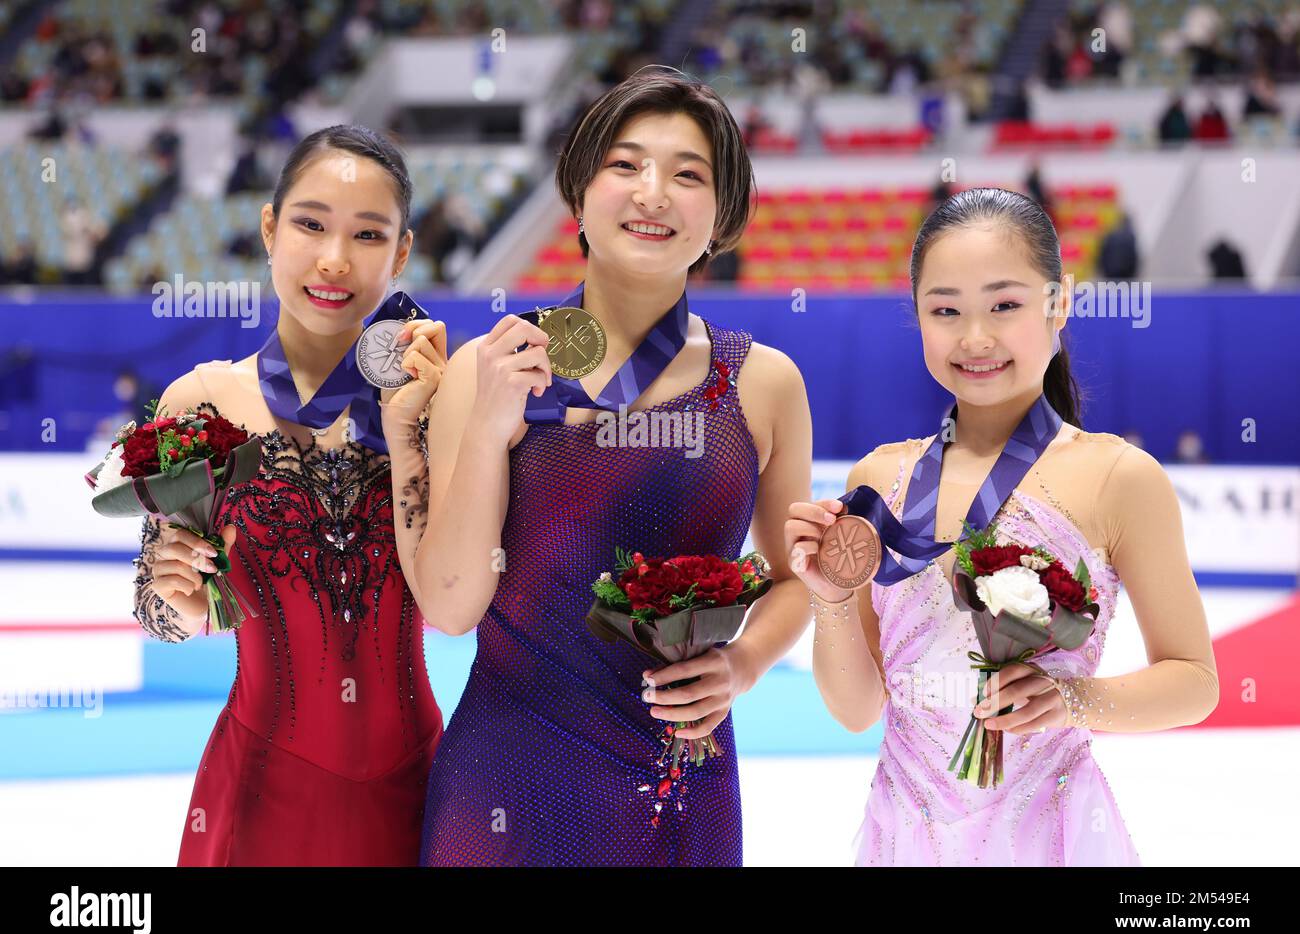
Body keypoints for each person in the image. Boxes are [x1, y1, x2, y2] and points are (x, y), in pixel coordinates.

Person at [412, 66, 814, 866]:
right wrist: (491, 427)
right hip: (508, 783)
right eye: (625, 165)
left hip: (681, 780)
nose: (653, 192)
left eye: (688, 174)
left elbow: (793, 575)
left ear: (723, 214)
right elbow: (450, 607)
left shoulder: (764, 382)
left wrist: (744, 663)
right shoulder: (495, 365)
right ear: (579, 190)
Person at [785, 187, 1219, 865]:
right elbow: (856, 710)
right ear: (918, 318)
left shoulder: (1118, 477)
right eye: (946, 310)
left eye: (1005, 305)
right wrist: (831, 596)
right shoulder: (878, 479)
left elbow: (1194, 683)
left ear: (1059, 303)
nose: (976, 337)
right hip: (905, 835)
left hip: (1050, 836)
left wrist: (1071, 699)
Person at [131, 124, 448, 865]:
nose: (334, 260)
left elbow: (458, 604)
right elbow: (155, 607)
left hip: (420, 792)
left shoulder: (436, 398)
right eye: (310, 224)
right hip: (260, 788)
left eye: (368, 235)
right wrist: (176, 601)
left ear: (401, 253)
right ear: (270, 228)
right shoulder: (201, 400)